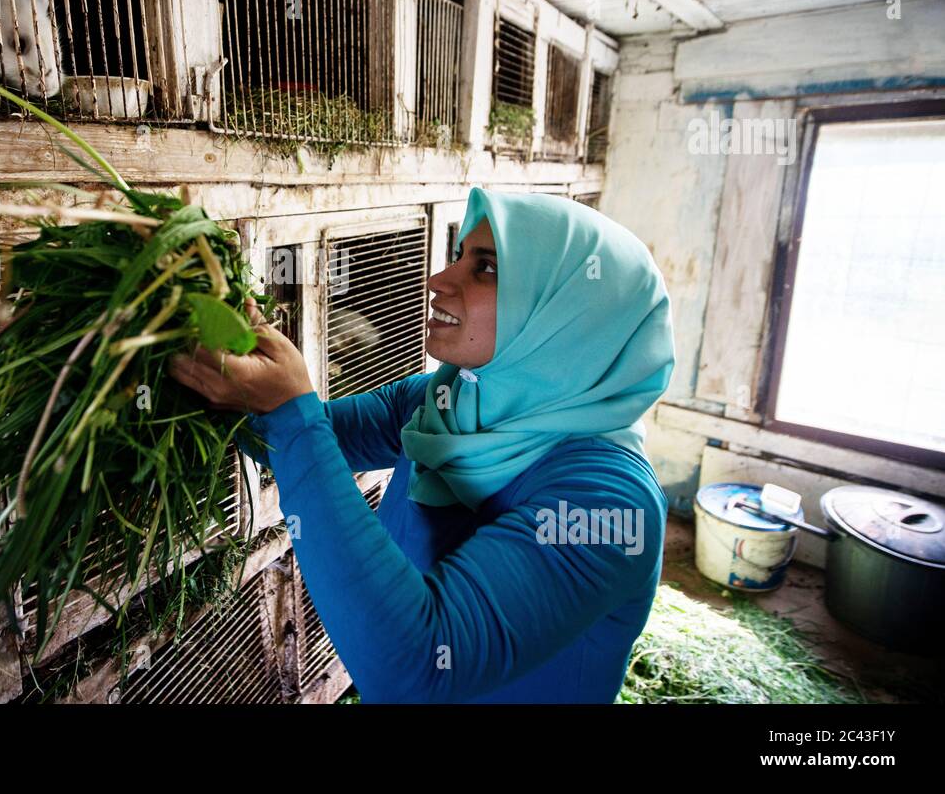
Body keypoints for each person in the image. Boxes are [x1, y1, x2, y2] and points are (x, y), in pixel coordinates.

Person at [169, 188, 676, 703]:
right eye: (460, 255)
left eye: (487, 269)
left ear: (568, 314)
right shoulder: (445, 400)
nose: (438, 280)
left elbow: (421, 669)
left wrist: (288, 411)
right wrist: (216, 369)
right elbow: (302, 433)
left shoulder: (610, 504)